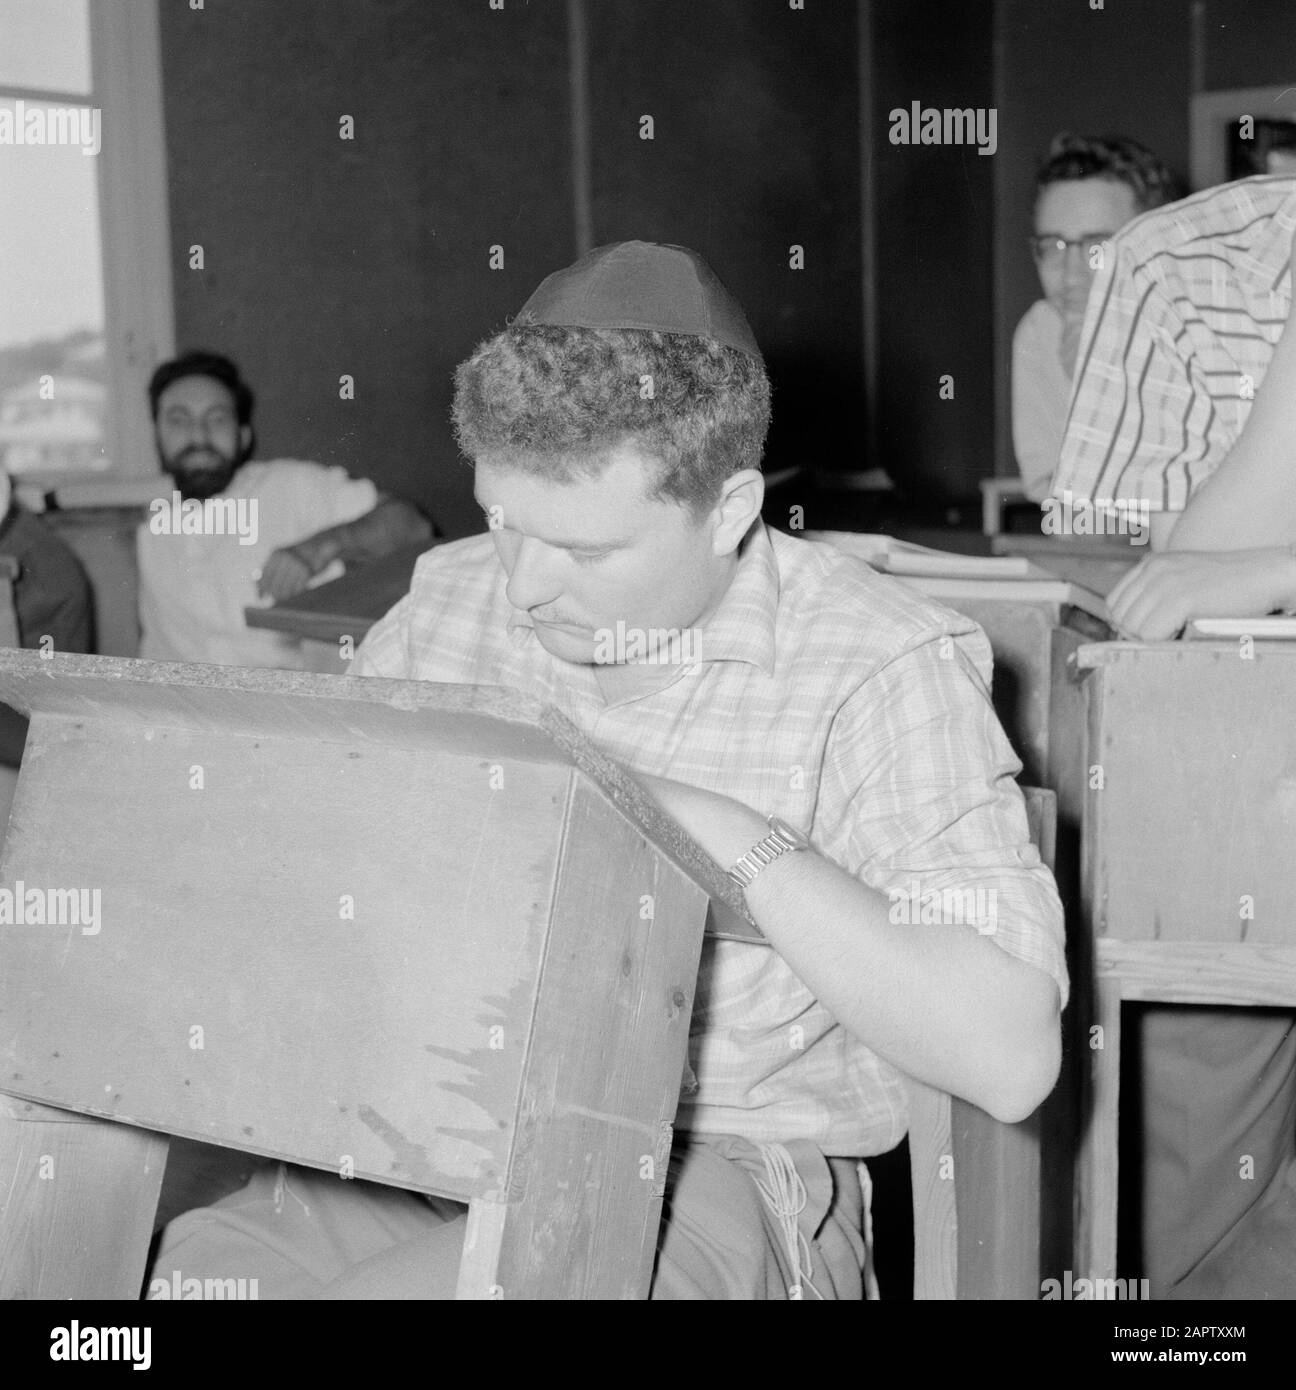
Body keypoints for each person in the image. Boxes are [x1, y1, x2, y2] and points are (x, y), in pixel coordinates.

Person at [150, 241, 1066, 1300]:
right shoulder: (451, 601)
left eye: (585, 553)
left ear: (726, 514)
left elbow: (1011, 1054)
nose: (524, 589)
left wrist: (714, 835)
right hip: (444, 1129)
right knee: (192, 1278)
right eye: (501, 521)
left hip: (717, 1158)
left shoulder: (876, 661)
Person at [1052, 172, 1296, 1299]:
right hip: (1238, 769)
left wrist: (1277, 568)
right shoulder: (1181, 265)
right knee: (1184, 1178)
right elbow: (1165, 591)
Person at [137, 351, 432, 668]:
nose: (199, 436)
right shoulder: (152, 529)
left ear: (243, 435)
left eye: (217, 418)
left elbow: (413, 526)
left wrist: (318, 548)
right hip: (184, 710)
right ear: (156, 435)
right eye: (179, 420)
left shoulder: (290, 486)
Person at [1012, 134, 1176, 502]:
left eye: (1098, 247)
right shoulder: (1041, 330)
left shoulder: (1207, 325)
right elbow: (1062, 503)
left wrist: (1108, 386)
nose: (1070, 275)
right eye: (1053, 246)